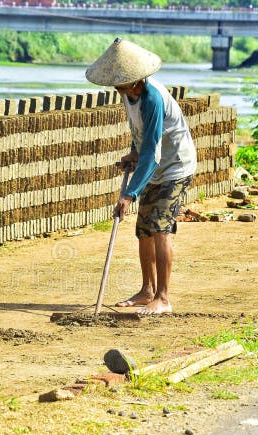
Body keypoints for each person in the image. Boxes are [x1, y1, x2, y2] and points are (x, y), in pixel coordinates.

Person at [86, 38, 197, 315]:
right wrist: (132, 154)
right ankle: (147, 291)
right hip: (154, 165)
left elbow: (153, 153)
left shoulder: (153, 99)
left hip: (174, 167)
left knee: (160, 229)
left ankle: (164, 298)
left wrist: (129, 194)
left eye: (122, 86)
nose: (118, 90)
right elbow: (142, 137)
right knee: (144, 230)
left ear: (137, 82)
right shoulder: (128, 95)